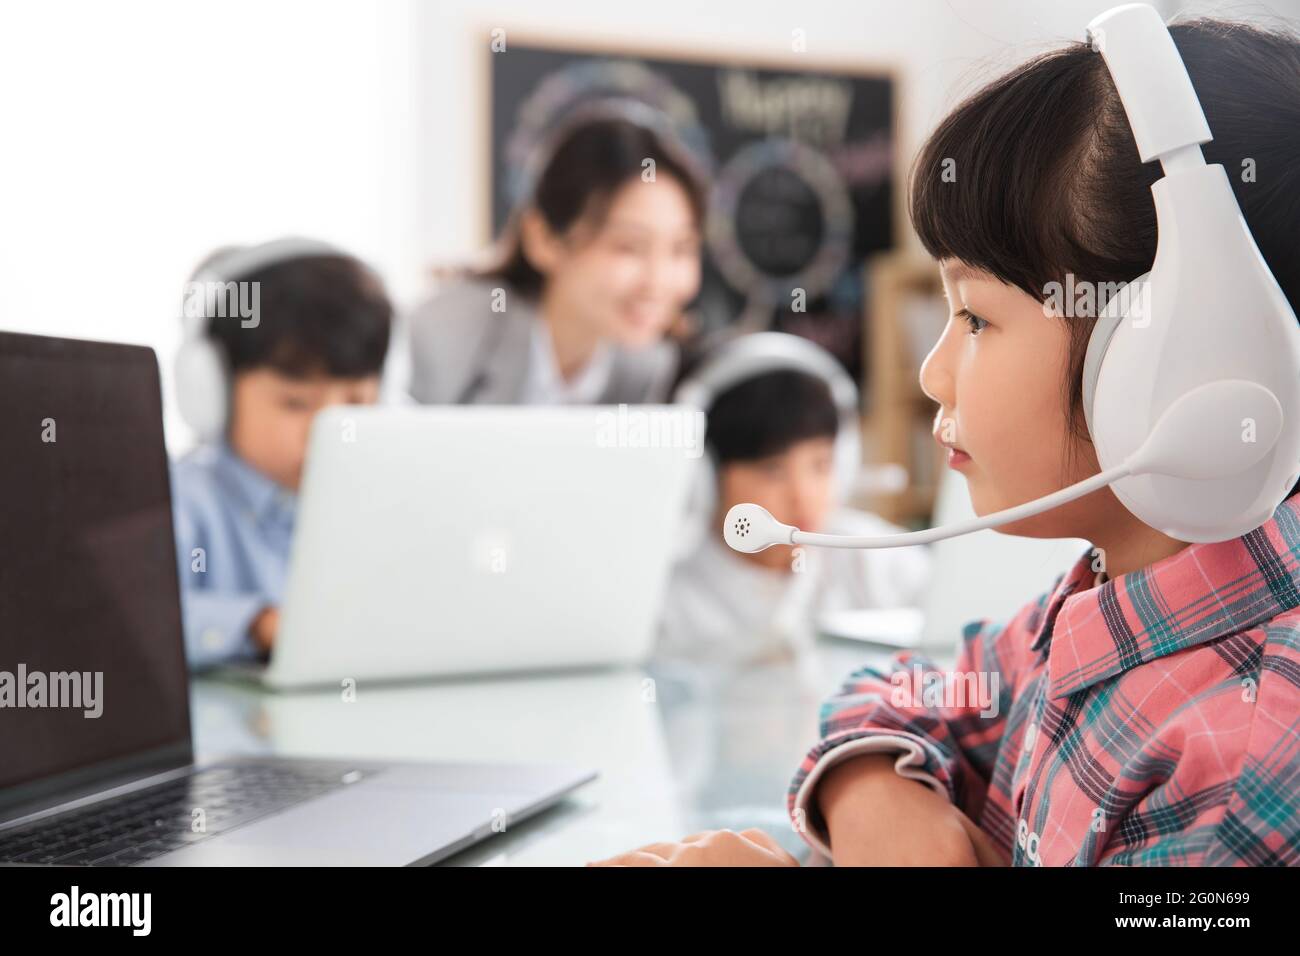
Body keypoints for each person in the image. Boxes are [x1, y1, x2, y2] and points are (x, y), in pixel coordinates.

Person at [591, 16, 1300, 866]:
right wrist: (877, 798)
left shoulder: (1252, 756)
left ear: (1188, 354)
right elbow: (900, 692)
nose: (932, 372)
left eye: (974, 316)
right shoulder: (1098, 607)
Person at [170, 239, 393, 669]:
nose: (328, 433)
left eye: (357, 401)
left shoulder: (379, 504)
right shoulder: (183, 501)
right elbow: (127, 620)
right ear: (213, 392)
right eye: (296, 403)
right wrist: (257, 624)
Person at [656, 335, 929, 670]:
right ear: (706, 476)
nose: (803, 496)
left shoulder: (875, 559)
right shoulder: (666, 597)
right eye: (772, 469)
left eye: (821, 465)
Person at [406, 109, 707, 406]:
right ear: (543, 239)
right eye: (629, 246)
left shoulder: (645, 363)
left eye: (681, 248)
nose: (657, 281)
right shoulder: (443, 336)